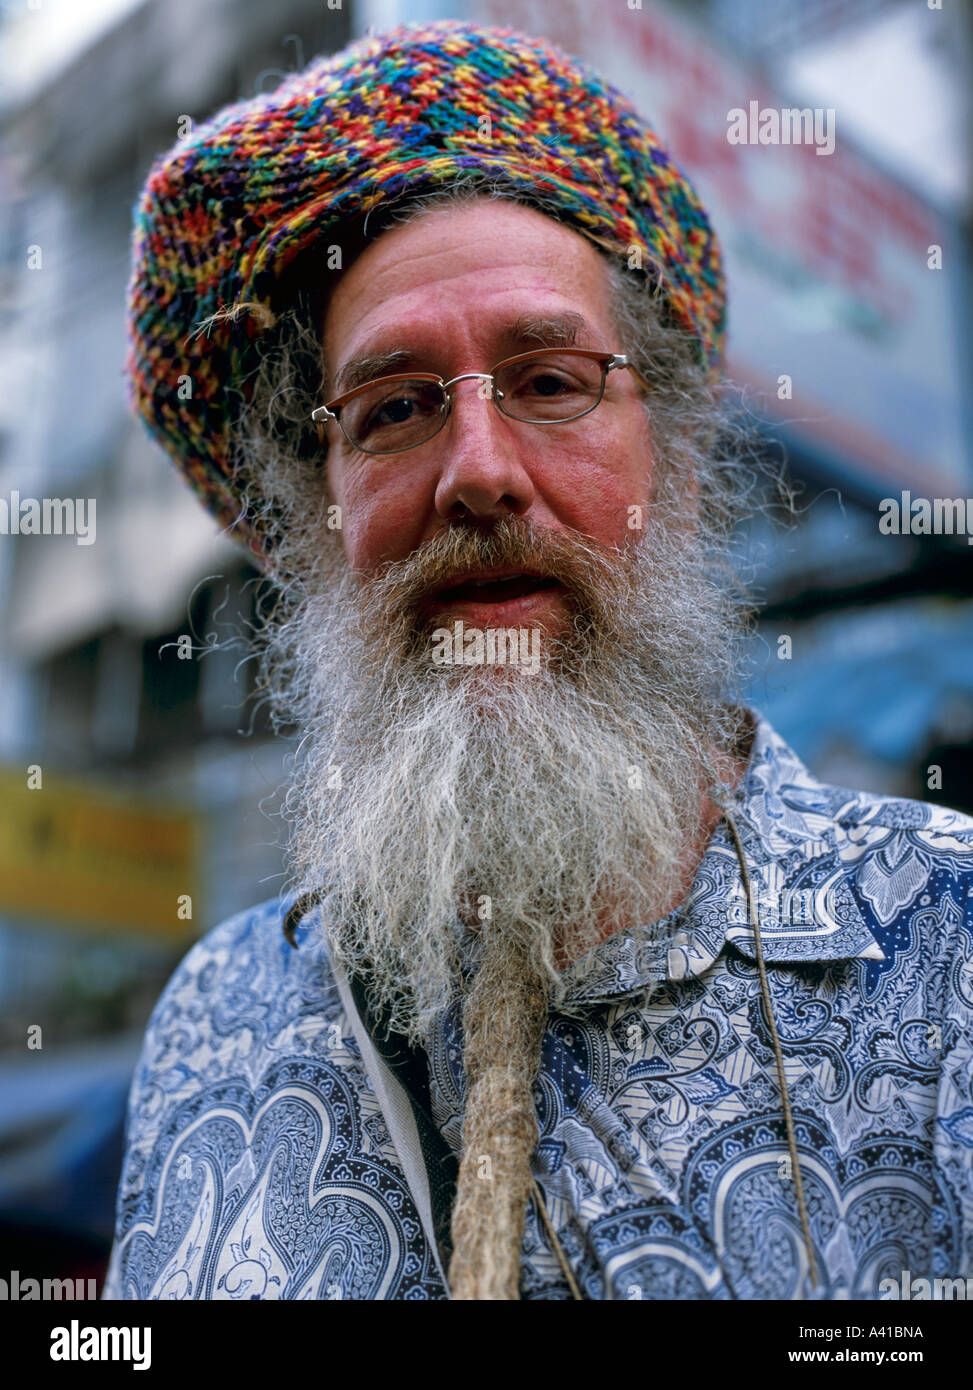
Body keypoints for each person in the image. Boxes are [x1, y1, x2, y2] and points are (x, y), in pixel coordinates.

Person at [103, 20, 973, 1301]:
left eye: (551, 381)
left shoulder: (944, 939)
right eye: (392, 406)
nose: (479, 474)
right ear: (317, 521)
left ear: (671, 471)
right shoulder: (215, 1015)